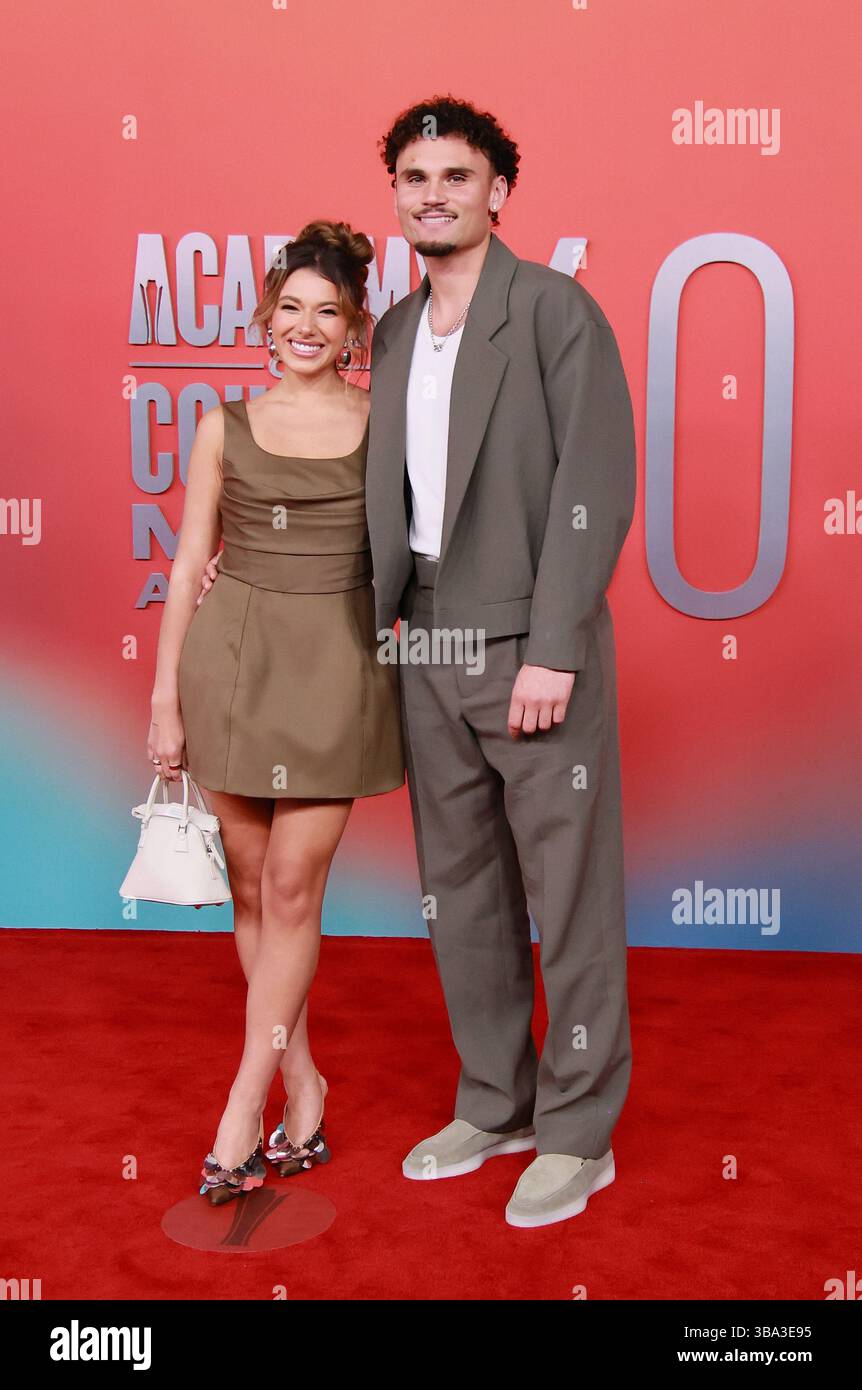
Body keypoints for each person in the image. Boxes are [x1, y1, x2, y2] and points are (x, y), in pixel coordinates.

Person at [366, 96, 637, 1228]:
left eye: (456, 176)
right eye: (414, 176)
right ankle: (497, 1099)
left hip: (529, 641)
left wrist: (555, 649)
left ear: (498, 192)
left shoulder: (553, 310)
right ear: (398, 194)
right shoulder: (388, 331)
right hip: (421, 635)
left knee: (565, 893)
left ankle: (578, 1130)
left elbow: (594, 482)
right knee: (461, 891)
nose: (434, 193)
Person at [148, 221, 404, 1204]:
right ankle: (303, 1078)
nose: (306, 326)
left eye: (326, 311)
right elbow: (183, 566)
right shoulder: (225, 426)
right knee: (253, 893)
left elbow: (422, 551)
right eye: (290, 307)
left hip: (337, 670)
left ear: (354, 328)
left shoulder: (387, 429)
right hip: (233, 664)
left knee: (295, 888)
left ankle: (236, 1116)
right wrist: (167, 696)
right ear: (266, 318)